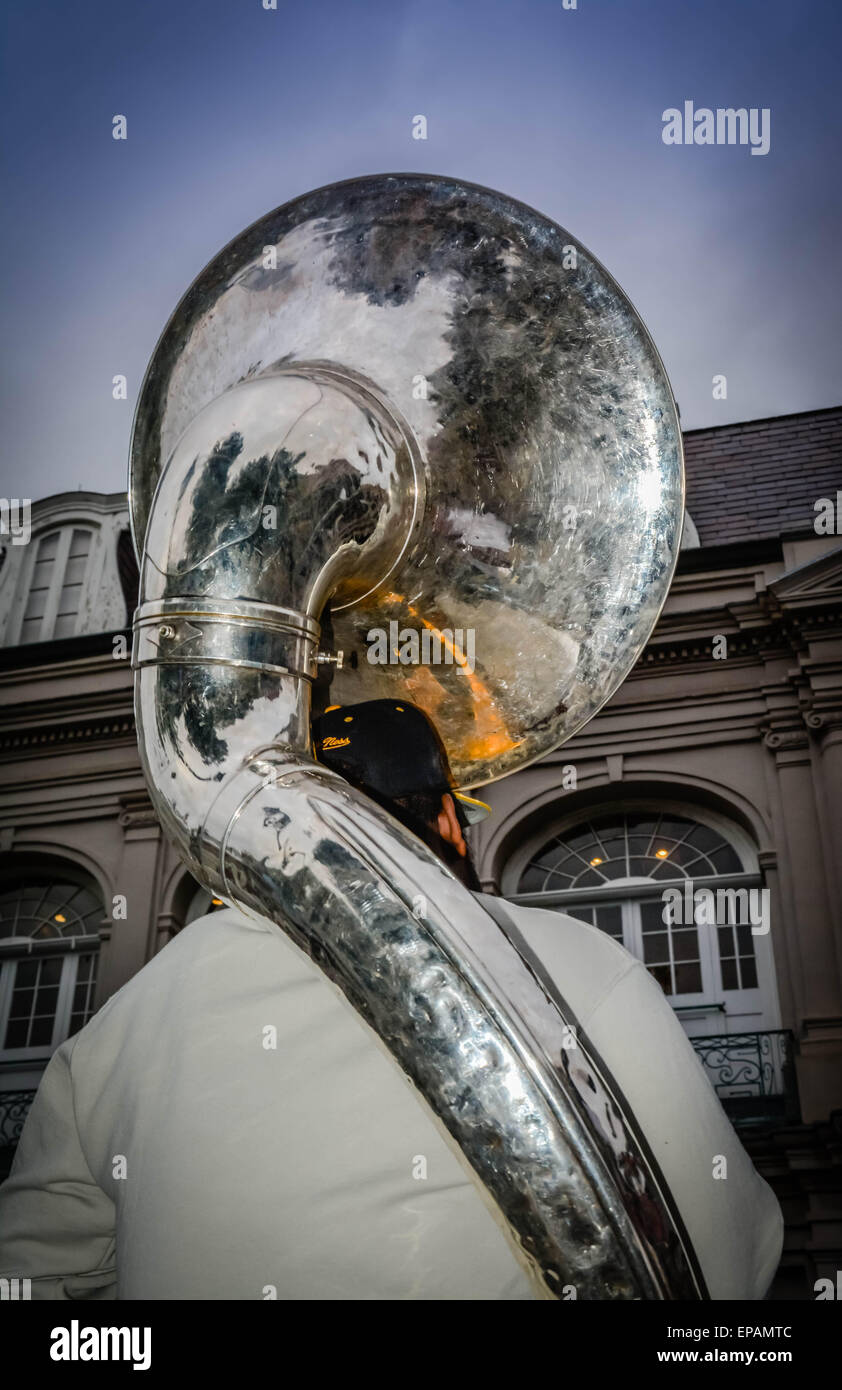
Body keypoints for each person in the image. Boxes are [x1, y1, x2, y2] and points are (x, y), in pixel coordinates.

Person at [0, 700, 782, 1300]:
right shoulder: (581, 962)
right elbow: (725, 1257)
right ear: (447, 819)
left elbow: (32, 1267)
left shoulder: (132, 1011)